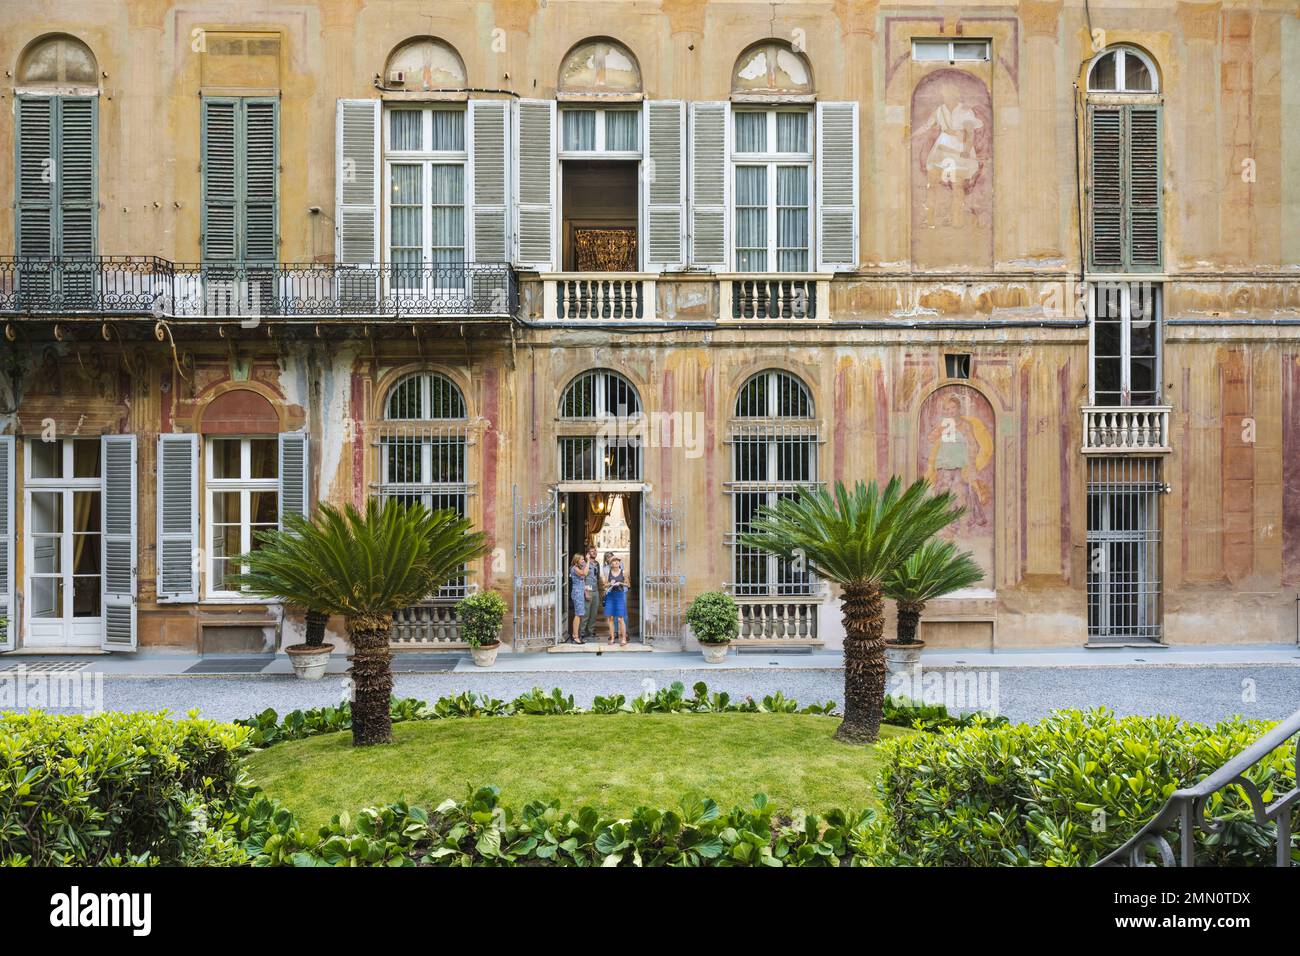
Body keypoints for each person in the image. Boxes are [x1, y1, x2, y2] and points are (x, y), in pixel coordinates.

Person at [602, 556, 629, 647]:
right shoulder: (608, 573)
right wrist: (610, 583)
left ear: (619, 563)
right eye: (613, 562)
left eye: (617, 562)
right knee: (611, 618)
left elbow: (628, 584)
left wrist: (620, 583)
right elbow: (604, 586)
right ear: (611, 564)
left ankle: (624, 638)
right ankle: (612, 638)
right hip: (610, 596)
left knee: (620, 619)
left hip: (619, 595)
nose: (615, 563)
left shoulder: (623, 572)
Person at [580, 546, 601, 640]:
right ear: (587, 554)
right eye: (591, 551)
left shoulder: (597, 564)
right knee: (586, 613)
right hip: (588, 590)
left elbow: (597, 578)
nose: (594, 552)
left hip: (596, 590)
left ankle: (591, 631)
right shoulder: (584, 564)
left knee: (594, 612)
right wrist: (585, 592)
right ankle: (582, 632)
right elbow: (582, 578)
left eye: (595, 551)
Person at [567, 553, 588, 644]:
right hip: (577, 593)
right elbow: (585, 573)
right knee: (578, 614)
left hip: (580, 592)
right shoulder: (574, 568)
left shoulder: (578, 568)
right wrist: (588, 563)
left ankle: (576, 635)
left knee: (579, 614)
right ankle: (575, 636)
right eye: (582, 559)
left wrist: (585, 592)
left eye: (583, 559)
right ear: (577, 560)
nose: (583, 561)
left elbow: (583, 580)